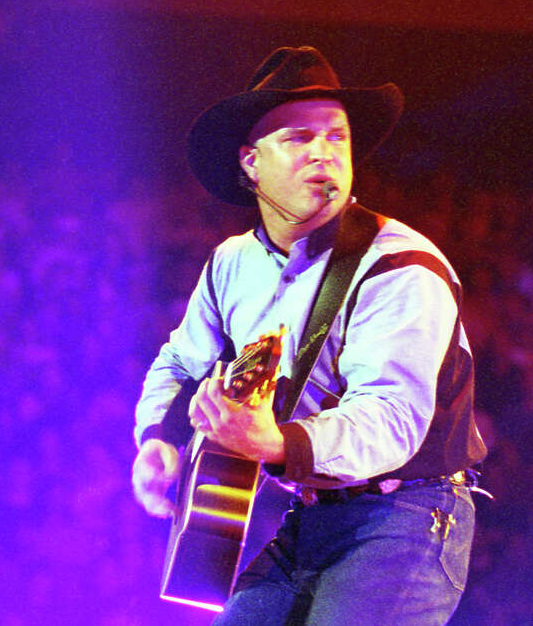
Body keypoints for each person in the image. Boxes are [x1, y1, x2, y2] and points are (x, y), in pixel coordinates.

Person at [131, 46, 487, 624]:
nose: (324, 152)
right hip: (310, 515)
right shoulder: (232, 264)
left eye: (337, 137)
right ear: (251, 163)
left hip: (405, 519)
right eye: (299, 138)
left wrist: (275, 444)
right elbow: (180, 361)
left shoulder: (399, 267)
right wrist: (158, 438)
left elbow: (392, 418)